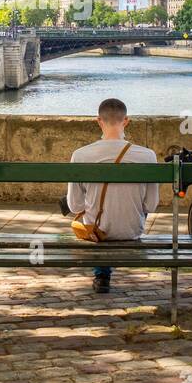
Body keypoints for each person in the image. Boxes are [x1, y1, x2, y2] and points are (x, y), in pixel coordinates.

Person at [65, 98, 159, 293]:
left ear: (99, 121)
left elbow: (74, 206)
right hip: (131, 231)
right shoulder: (148, 155)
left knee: (92, 208)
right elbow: (151, 205)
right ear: (126, 121)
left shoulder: (80, 155)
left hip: (98, 232)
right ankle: (102, 273)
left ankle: (102, 274)